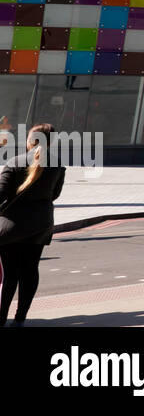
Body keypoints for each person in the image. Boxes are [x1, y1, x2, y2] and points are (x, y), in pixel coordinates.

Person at [0, 123, 65, 327]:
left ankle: (1, 318)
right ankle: (20, 318)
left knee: (10, 273)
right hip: (41, 224)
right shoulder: (57, 165)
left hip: (12, 226)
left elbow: (1, 195)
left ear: (30, 140)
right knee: (30, 269)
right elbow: (54, 195)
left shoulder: (15, 162)